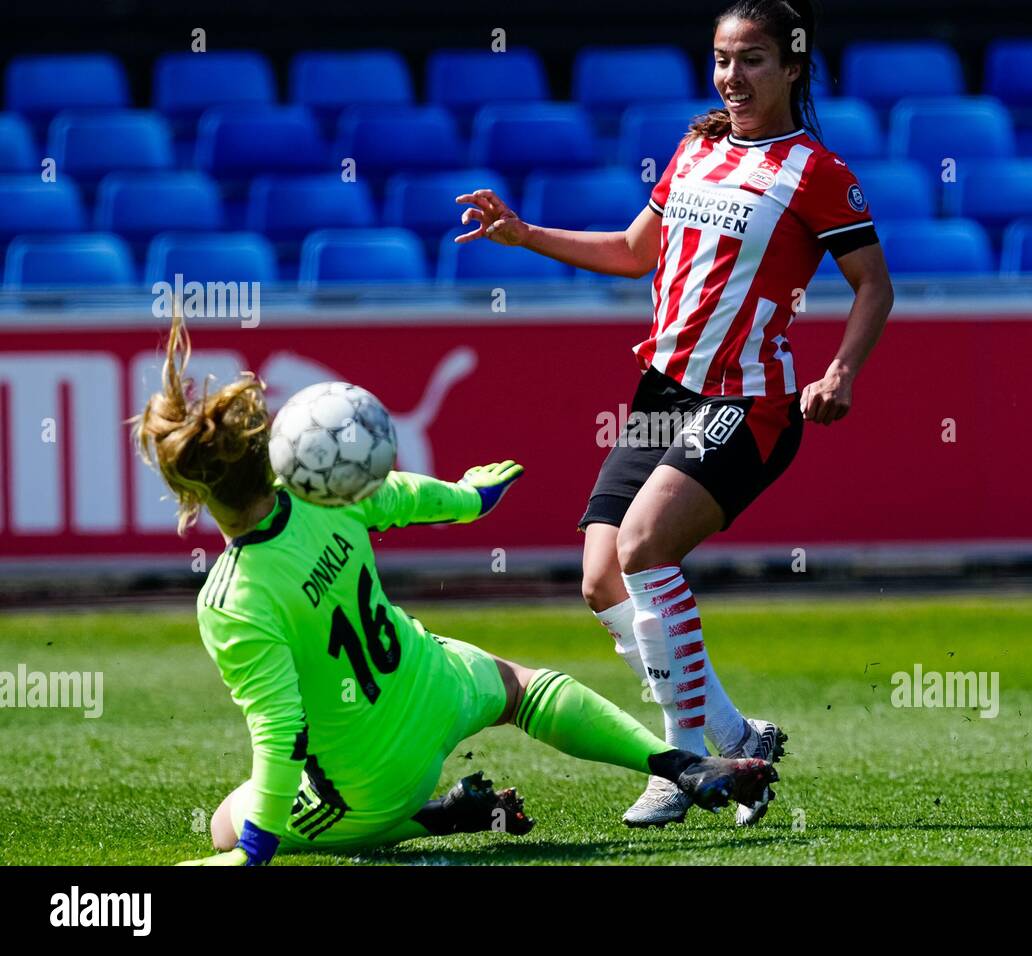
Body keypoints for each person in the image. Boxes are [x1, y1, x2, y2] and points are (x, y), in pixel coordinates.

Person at [453, 0, 894, 826]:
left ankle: (683, 759)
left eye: (754, 60)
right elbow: (634, 252)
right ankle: (735, 734)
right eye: (724, 59)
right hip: (662, 393)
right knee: (598, 577)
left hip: (747, 400)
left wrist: (840, 371)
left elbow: (875, 283)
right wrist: (524, 235)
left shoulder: (816, 172)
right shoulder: (695, 147)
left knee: (646, 543)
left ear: (794, 68)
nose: (733, 76)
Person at [133, 314, 776, 865]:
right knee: (521, 688)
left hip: (373, 776)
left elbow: (282, 732)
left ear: (192, 493)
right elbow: (401, 495)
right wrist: (471, 498)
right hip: (436, 683)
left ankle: (437, 816)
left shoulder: (231, 598)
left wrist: (253, 845)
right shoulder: (318, 494)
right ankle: (678, 765)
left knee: (226, 818)